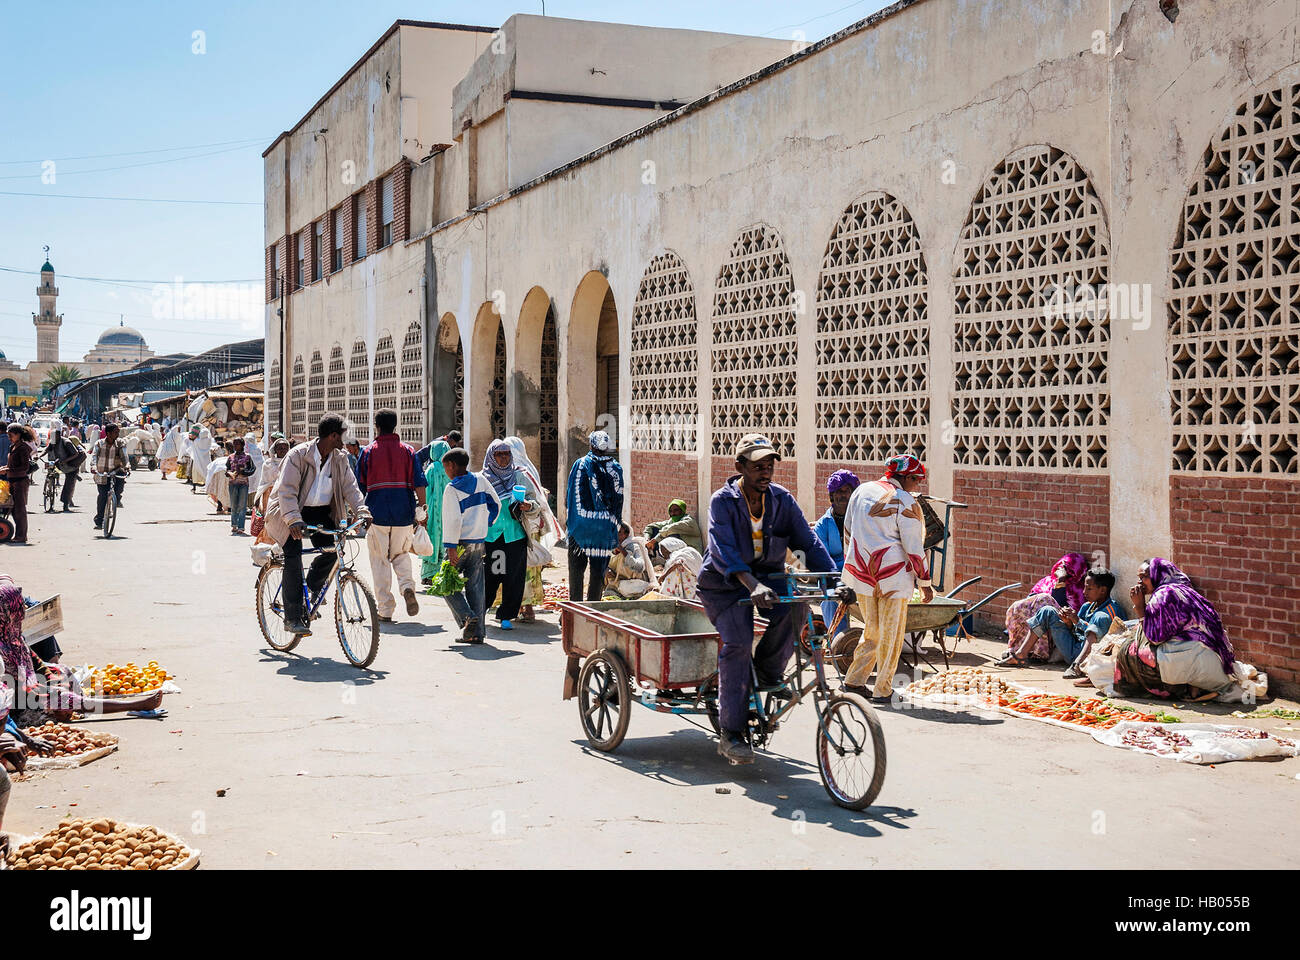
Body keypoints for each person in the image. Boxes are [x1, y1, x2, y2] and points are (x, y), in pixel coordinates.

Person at [697, 434, 835, 764]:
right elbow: (722, 550)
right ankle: (731, 733)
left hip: (771, 579)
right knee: (739, 643)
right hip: (725, 585)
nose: (765, 473)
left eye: (769, 466)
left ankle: (769, 674)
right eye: (758, 466)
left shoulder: (781, 500)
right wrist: (750, 584)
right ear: (740, 467)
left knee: (797, 604)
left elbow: (810, 543)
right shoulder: (722, 501)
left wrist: (834, 580)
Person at [263, 414, 371, 636]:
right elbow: (287, 491)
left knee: (334, 550)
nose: (346, 439)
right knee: (293, 557)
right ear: (333, 436)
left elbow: (351, 488)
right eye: (343, 434)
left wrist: (362, 510)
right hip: (290, 511)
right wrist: (293, 519)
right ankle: (292, 617)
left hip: (320, 512)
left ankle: (311, 587)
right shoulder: (298, 455)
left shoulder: (339, 458)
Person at [839, 455, 935, 702]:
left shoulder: (861, 491)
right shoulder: (905, 501)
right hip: (893, 578)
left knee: (871, 630)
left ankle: (854, 681)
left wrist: (852, 567)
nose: (918, 486)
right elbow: (914, 548)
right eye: (917, 481)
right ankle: (883, 690)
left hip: (861, 572)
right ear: (907, 477)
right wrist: (925, 583)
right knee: (891, 634)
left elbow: (848, 532)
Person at [1113, 558, 1236, 702]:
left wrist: (1140, 608)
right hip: (1216, 659)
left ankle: (1172, 690)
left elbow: (1155, 638)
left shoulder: (1162, 595)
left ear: (1158, 574)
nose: (1140, 582)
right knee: (1136, 633)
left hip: (1199, 661)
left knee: (1129, 651)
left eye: (1144, 577)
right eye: (1139, 578)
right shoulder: (1182, 589)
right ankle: (1193, 686)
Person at [356, 410, 427, 622]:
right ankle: (407, 587)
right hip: (403, 514)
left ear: (376, 426)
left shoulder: (368, 452)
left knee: (379, 561)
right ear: (396, 426)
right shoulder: (408, 451)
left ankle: (385, 609)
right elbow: (419, 483)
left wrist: (356, 512)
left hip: (376, 514)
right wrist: (422, 510)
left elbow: (358, 486)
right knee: (401, 554)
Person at [440, 447, 500, 644]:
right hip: (479, 541)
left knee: (444, 583)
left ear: (451, 466)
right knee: (475, 588)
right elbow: (496, 504)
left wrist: (450, 547)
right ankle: (477, 633)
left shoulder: (452, 489)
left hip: (459, 543)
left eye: (446, 467)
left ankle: (466, 617)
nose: (446, 472)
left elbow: (453, 521)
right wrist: (485, 523)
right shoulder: (481, 481)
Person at [1024, 568, 1126, 679]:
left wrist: (1077, 620)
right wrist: (1068, 622)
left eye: (1089, 588)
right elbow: (1077, 633)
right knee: (1047, 611)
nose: (1084, 592)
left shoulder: (1112, 610)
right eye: (1085, 587)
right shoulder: (1087, 606)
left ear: (1102, 590)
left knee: (1099, 617)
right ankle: (1020, 654)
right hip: (1073, 649)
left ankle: (1077, 667)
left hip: (1091, 658)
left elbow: (1105, 638)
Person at [504, 436, 563, 621]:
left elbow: (536, 500)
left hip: (521, 525)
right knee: (528, 567)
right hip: (531, 526)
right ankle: (524, 607)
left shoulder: (518, 472)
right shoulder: (530, 470)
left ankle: (524, 607)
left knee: (520, 567)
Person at [480, 439, 535, 629]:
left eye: (507, 454)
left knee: (514, 577)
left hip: (514, 535)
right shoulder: (483, 479)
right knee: (492, 575)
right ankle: (481, 611)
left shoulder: (519, 477)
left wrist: (528, 506)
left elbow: (535, 503)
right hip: (493, 536)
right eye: (499, 454)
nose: (504, 458)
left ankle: (506, 616)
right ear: (491, 457)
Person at [997, 552, 1090, 665]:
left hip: (1058, 631)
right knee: (1028, 605)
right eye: (1061, 566)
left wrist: (1061, 582)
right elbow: (1028, 605)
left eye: (1067, 568)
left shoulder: (1079, 591)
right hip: (1033, 627)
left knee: (1045, 602)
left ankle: (1039, 653)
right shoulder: (1046, 582)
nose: (1062, 569)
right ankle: (1021, 650)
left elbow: (1059, 610)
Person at [565, 431, 623, 602]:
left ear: (591, 445)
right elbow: (618, 500)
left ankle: (575, 611)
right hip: (603, 530)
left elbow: (571, 495)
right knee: (598, 574)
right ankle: (593, 610)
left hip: (580, 528)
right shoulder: (616, 468)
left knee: (576, 571)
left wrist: (570, 521)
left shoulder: (580, 464)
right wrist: (614, 526)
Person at [813, 469, 860, 638]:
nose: (843, 496)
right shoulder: (823, 525)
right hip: (833, 574)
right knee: (829, 596)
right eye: (839, 492)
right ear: (831, 496)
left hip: (859, 573)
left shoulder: (860, 519)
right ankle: (838, 640)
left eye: (847, 491)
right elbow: (822, 558)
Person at [419, 438, 452, 585]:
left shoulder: (432, 469)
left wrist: (423, 510)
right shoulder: (450, 467)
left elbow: (425, 490)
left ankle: (428, 575)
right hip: (448, 511)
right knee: (445, 541)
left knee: (431, 539)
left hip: (433, 510)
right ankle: (441, 573)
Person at [88, 423, 130, 530]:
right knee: (102, 496)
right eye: (116, 432)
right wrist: (93, 467)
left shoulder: (120, 443)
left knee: (119, 488)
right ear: (108, 433)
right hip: (102, 473)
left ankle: (116, 499)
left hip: (116, 471)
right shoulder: (99, 444)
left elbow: (124, 457)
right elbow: (94, 457)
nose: (118, 434)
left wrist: (127, 467)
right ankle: (99, 520)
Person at [0, 424, 36, 544]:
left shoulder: (23, 448)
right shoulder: (13, 446)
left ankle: (21, 536)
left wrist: (8, 470)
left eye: (11, 435)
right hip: (13, 481)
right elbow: (13, 465)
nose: (9, 437)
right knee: (14, 509)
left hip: (20, 481)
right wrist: (5, 468)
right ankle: (18, 534)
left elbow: (24, 467)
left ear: (19, 435)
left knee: (20, 510)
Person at [252, 435, 290, 544]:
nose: (282, 450)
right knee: (270, 520)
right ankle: (267, 543)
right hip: (269, 495)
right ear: (275, 449)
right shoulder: (268, 464)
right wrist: (258, 499)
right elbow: (263, 482)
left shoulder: (292, 462)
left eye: (285, 448)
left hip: (286, 494)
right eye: (280, 448)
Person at [606, 523, 659, 598]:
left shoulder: (633, 547)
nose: (619, 536)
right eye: (617, 532)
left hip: (633, 584)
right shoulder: (610, 548)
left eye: (623, 533)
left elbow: (639, 567)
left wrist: (623, 551)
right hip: (616, 585)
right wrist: (606, 570)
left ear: (628, 535)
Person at [45, 428, 84, 512]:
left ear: (59, 435)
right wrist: (39, 456)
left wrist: (65, 460)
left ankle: (65, 505)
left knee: (68, 485)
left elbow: (76, 453)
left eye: (54, 436)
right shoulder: (53, 441)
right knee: (50, 471)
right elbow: (47, 449)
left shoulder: (66, 442)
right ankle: (50, 489)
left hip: (71, 466)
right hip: (60, 464)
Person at [225, 437, 256, 535]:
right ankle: (234, 525)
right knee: (234, 505)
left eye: (237, 444)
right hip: (232, 484)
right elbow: (227, 469)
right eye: (234, 444)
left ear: (242, 445)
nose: (235, 446)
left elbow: (253, 469)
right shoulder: (230, 457)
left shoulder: (248, 457)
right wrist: (229, 474)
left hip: (243, 484)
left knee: (242, 506)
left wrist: (244, 472)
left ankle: (241, 527)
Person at [206, 440, 234, 514]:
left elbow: (210, 468)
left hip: (218, 471)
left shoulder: (219, 460)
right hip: (228, 473)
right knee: (228, 490)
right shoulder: (236, 457)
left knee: (219, 489)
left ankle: (219, 506)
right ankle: (230, 507)